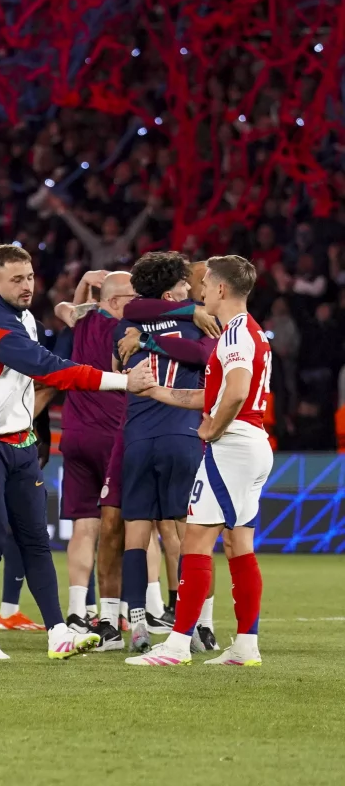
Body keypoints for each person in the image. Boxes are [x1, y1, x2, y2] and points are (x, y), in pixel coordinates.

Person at [0, 244, 147, 661]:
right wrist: (122, 382)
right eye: (16, 279)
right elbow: (52, 370)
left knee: (36, 539)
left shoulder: (25, 321)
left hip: (19, 442)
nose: (26, 285)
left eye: (30, 277)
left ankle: (58, 632)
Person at [126, 256, 273, 667]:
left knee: (196, 541)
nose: (200, 291)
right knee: (238, 543)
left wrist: (213, 429)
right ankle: (245, 645)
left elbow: (238, 391)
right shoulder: (251, 332)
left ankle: (175, 647)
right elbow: (205, 398)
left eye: (205, 284)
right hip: (253, 444)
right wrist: (155, 391)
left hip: (233, 446)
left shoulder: (235, 336)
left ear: (222, 290)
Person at [115, 251, 208, 653]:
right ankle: (197, 627)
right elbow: (206, 357)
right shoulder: (199, 321)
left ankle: (136, 624)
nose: (191, 288)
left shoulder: (130, 324)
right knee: (190, 538)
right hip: (182, 435)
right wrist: (189, 309)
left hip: (137, 438)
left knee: (135, 534)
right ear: (172, 291)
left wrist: (148, 338)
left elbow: (136, 305)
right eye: (184, 284)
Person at [51, 269, 135, 650]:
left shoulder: (83, 318)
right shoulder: (128, 330)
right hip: (112, 435)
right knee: (117, 527)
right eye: (132, 297)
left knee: (83, 527)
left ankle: (74, 612)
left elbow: (63, 306)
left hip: (74, 435)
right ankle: (116, 615)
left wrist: (86, 279)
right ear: (116, 301)